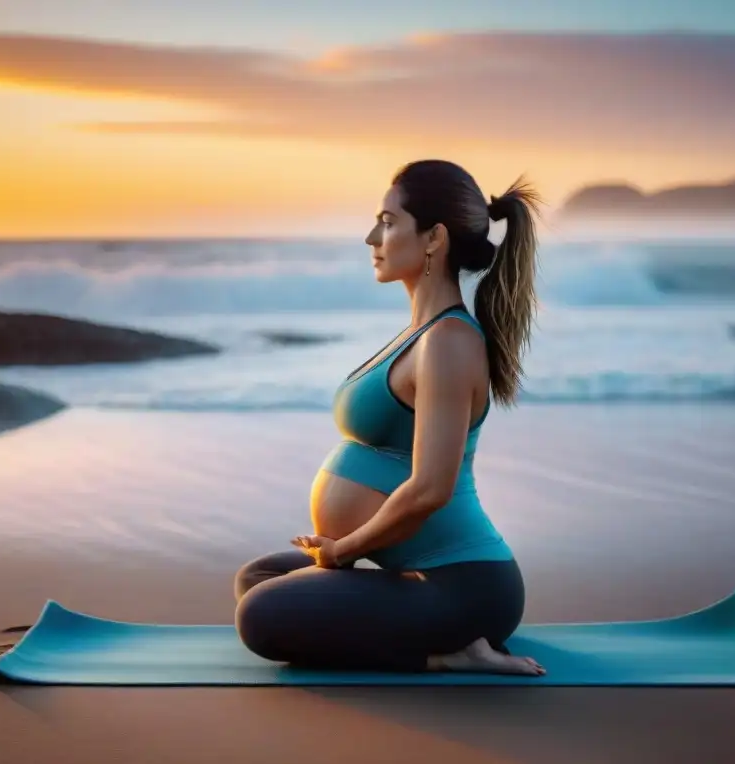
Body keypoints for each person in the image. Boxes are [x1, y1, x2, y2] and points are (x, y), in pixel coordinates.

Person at [233, 159, 545, 676]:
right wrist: (343, 551)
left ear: (433, 239)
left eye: (388, 221)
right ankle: (413, 625)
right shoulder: (420, 334)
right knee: (259, 578)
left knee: (262, 618)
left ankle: (453, 652)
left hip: (465, 585)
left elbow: (430, 489)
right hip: (404, 565)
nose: (372, 236)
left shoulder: (449, 342)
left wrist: (342, 552)